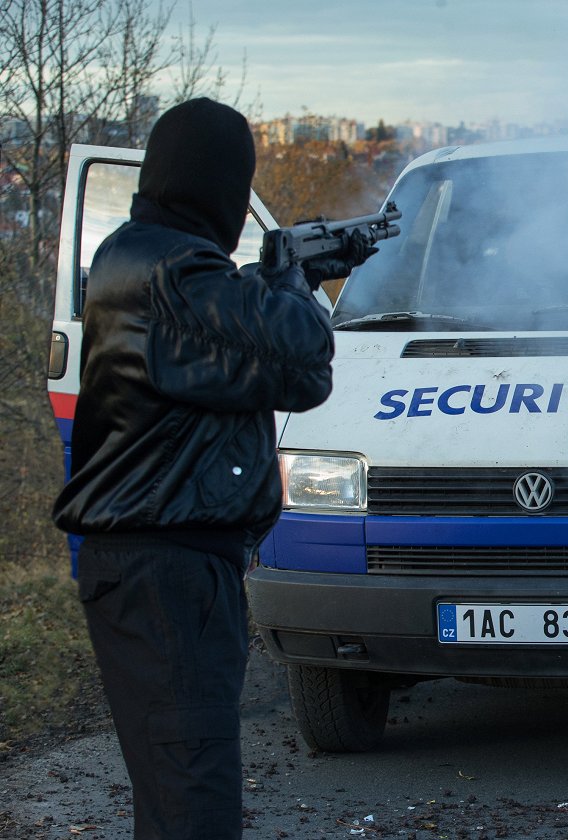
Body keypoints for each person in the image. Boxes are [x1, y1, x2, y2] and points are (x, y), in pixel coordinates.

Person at [50, 98, 357, 839]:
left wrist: (277, 281)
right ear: (220, 185)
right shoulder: (172, 271)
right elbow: (304, 360)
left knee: (176, 793)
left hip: (157, 567)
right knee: (194, 796)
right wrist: (292, 282)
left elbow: (255, 357)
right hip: (168, 572)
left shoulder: (137, 260)